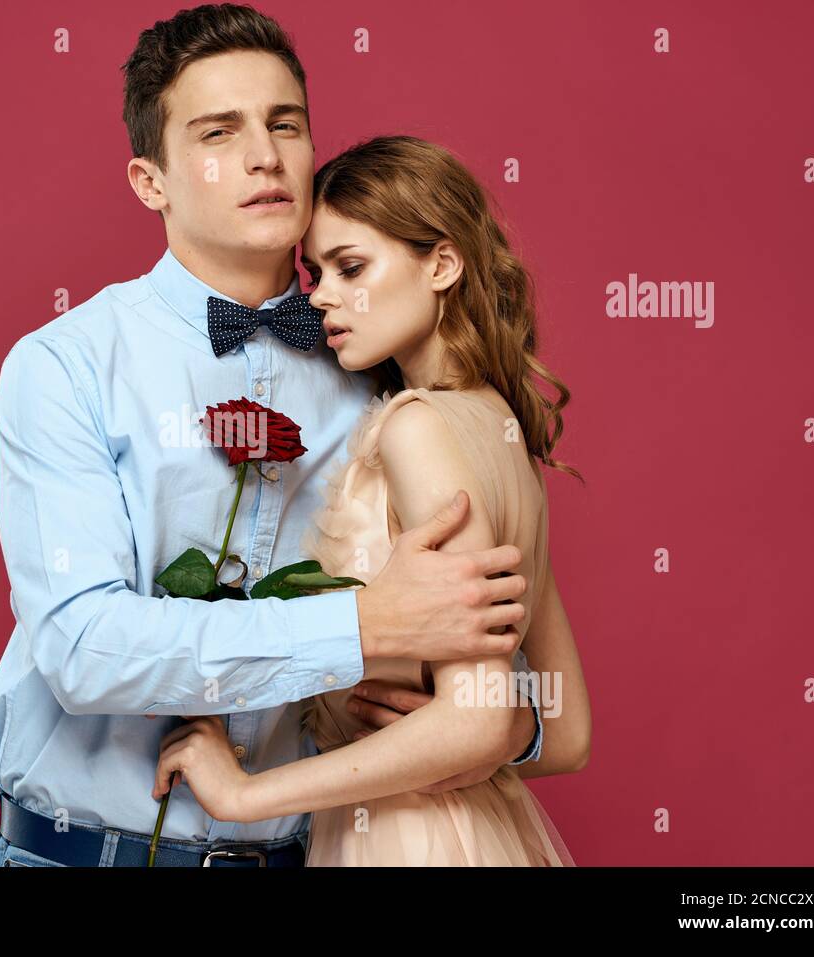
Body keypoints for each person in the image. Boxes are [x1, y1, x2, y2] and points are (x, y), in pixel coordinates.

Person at [0, 3, 569, 869]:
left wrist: (503, 724)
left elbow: (503, 668)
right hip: (75, 854)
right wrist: (365, 623)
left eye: (285, 123)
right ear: (152, 181)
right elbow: (82, 647)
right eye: (219, 132)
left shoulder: (384, 373)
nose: (265, 155)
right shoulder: (64, 366)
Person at [151, 135, 591, 865]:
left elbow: (478, 722)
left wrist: (245, 794)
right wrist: (503, 723)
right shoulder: (502, 426)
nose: (320, 294)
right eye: (316, 271)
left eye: (351, 267)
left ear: (442, 264)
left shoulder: (416, 428)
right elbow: (566, 730)